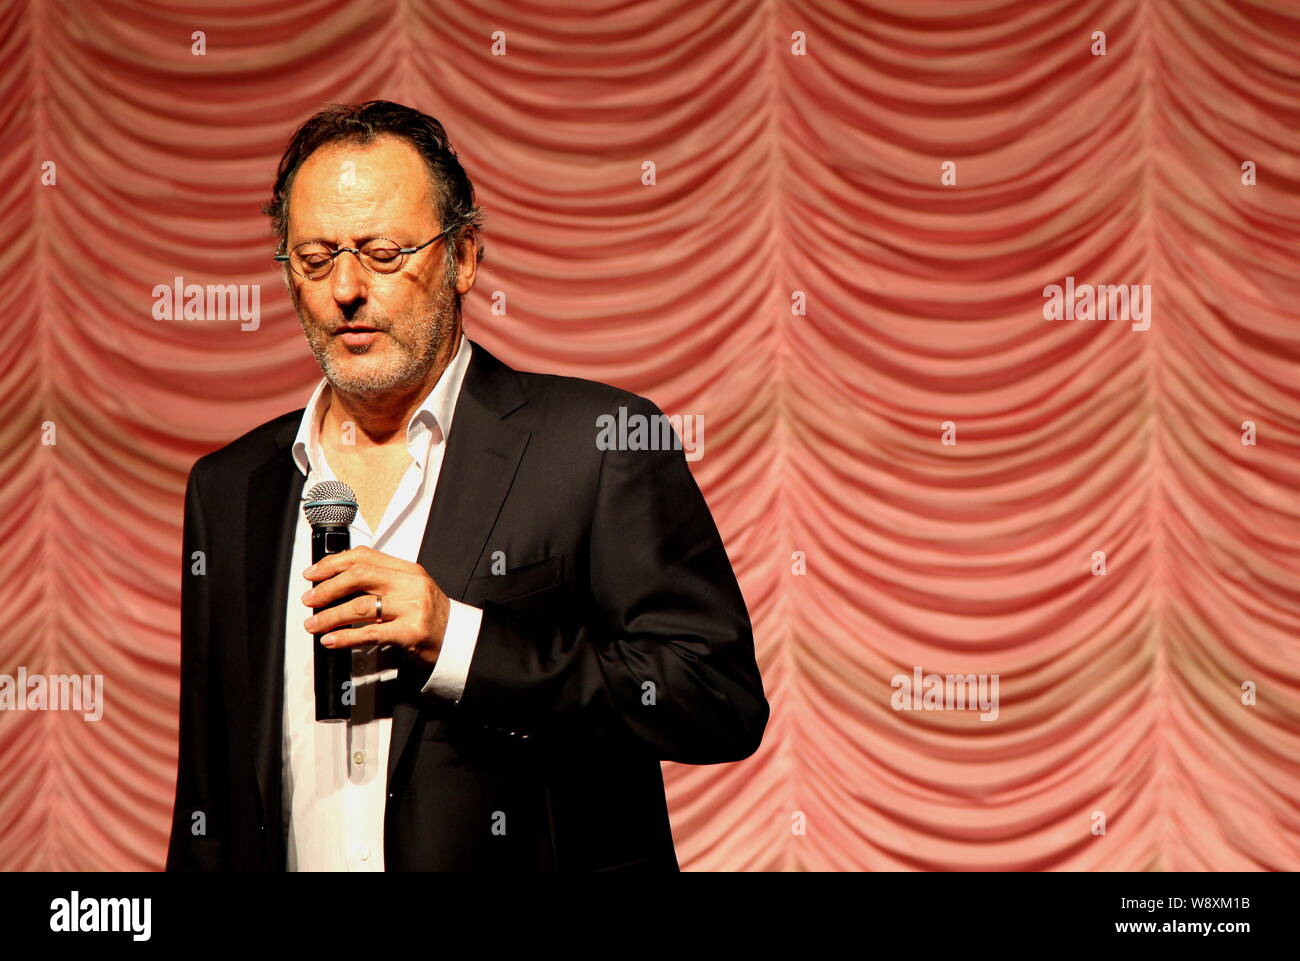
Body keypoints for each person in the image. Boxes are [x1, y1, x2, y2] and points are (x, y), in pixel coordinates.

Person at [165, 100, 768, 872]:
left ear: (464, 257)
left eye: (381, 252)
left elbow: (715, 696)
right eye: (315, 259)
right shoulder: (231, 488)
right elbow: (208, 802)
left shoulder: (594, 443)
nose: (345, 288)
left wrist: (458, 638)